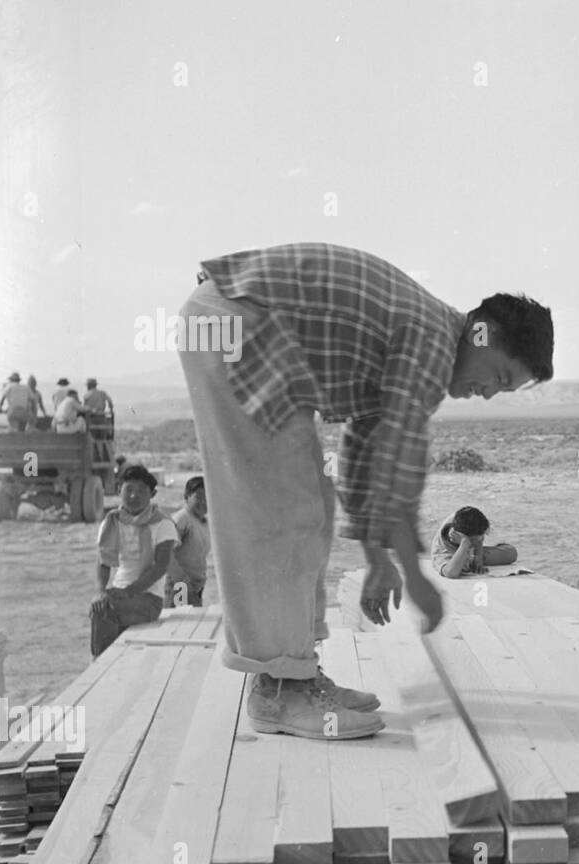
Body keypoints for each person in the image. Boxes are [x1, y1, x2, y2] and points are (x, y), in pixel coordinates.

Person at [177, 242, 553, 740]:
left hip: (244, 328)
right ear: (480, 332)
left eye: (503, 391)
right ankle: (279, 692)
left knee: (310, 508)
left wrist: (377, 555)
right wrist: (380, 561)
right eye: (499, 376)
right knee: (276, 514)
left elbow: (363, 446)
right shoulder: (432, 342)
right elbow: (398, 452)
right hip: (236, 324)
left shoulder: (429, 342)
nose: (488, 393)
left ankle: (295, 677)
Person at [90, 464, 178, 657]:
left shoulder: (163, 523)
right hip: (119, 592)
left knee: (106, 610)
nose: (133, 496)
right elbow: (103, 561)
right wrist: (99, 591)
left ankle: (101, 663)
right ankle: (104, 662)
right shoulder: (112, 521)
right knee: (99, 606)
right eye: (128, 490)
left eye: (141, 491)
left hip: (149, 598)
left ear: (153, 494)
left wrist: (128, 592)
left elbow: (160, 567)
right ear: (119, 489)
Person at [431, 506, 518, 579]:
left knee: (512, 554)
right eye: (474, 540)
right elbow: (450, 573)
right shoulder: (441, 552)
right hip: (456, 557)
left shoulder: (459, 518)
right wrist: (465, 543)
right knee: (457, 568)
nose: (480, 539)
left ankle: (485, 549)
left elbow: (478, 532)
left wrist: (478, 554)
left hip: (471, 554)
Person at [163, 475, 212, 607]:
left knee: (192, 622)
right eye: (199, 497)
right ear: (187, 497)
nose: (204, 502)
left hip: (196, 586)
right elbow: (166, 553)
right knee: (180, 623)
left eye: (207, 497)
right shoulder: (182, 519)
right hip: (180, 586)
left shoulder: (204, 522)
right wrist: (183, 582)